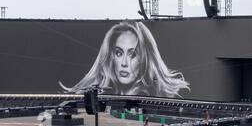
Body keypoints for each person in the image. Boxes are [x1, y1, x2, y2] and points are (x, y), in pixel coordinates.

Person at [60, 20, 190, 98]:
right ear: (111, 56)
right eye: (118, 53)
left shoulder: (158, 99)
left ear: (145, 59)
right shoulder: (99, 95)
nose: (124, 63)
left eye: (132, 55)